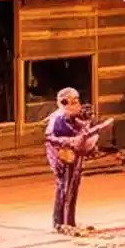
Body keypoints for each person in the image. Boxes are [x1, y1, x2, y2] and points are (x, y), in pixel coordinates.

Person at [44, 87, 87, 233]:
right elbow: (50, 137)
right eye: (73, 101)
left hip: (73, 156)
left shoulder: (74, 117)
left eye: (77, 101)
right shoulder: (57, 117)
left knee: (73, 187)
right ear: (64, 102)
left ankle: (70, 221)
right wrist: (69, 141)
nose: (77, 104)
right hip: (60, 157)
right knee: (64, 188)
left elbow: (81, 131)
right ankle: (59, 222)